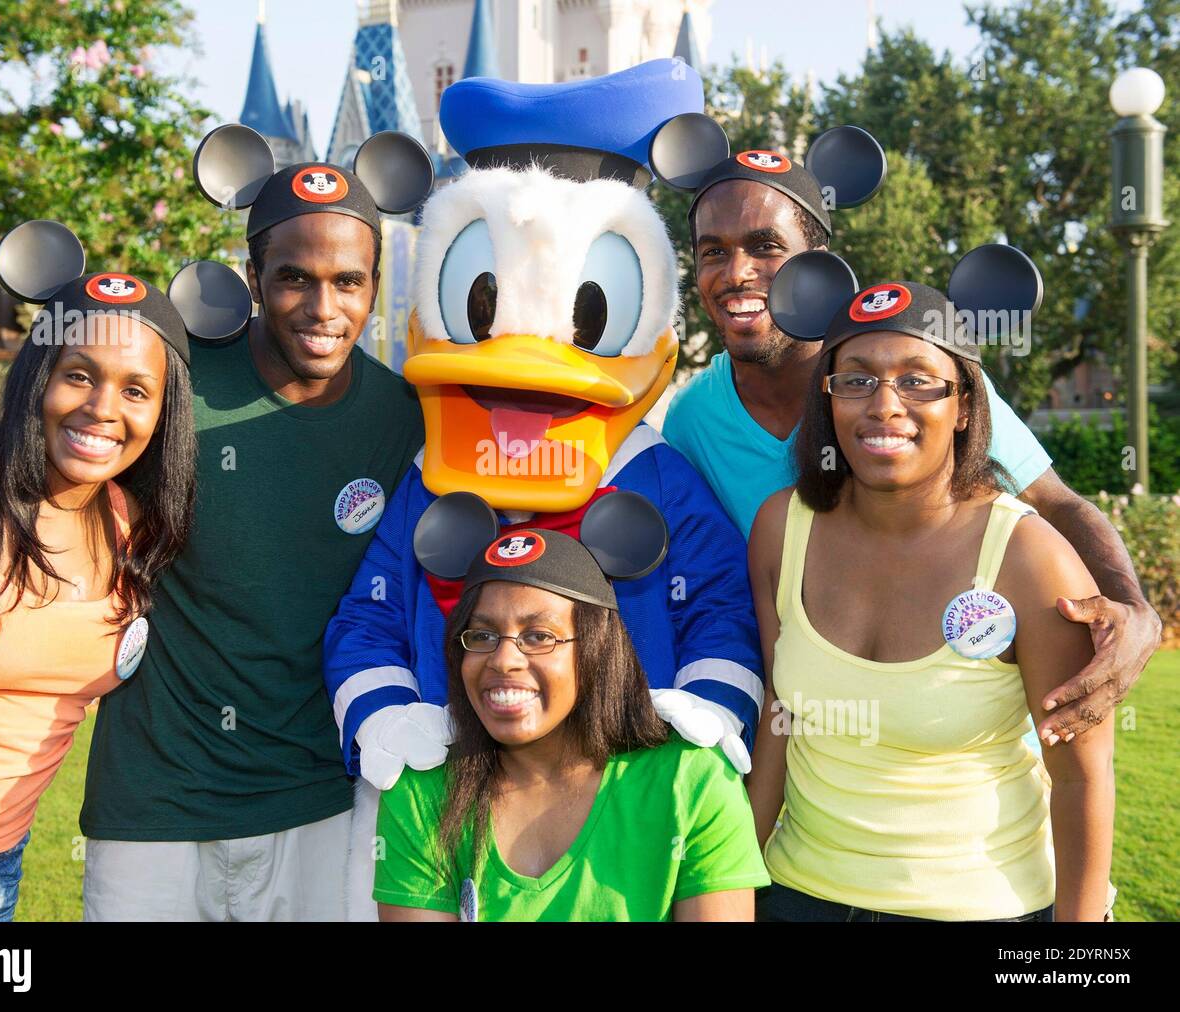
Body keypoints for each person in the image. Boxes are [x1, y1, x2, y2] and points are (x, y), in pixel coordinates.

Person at [324, 63, 764, 919]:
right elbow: (369, 613)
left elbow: (721, 606)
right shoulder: (431, 472)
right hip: (453, 791)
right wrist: (387, 715)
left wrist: (703, 708)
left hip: (625, 781)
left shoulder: (652, 471)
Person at [660, 124, 1161, 747]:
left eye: (765, 247)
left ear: (817, 260)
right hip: (811, 757)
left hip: (970, 754)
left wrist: (1132, 608)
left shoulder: (917, 378)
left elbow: (1054, 503)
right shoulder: (691, 420)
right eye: (713, 251)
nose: (737, 272)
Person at [78, 127, 435, 921]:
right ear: (252, 276)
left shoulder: (402, 417)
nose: (323, 308)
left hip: (320, 796)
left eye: (349, 282)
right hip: (157, 798)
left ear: (375, 286)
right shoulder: (169, 392)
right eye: (293, 279)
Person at [745, 253, 1114, 921]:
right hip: (798, 895)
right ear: (827, 403)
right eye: (855, 381)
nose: (885, 406)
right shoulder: (781, 527)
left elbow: (1081, 775)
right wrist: (738, 885)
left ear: (965, 407)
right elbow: (781, 711)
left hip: (984, 907)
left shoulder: (1028, 557)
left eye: (918, 381)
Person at [0, 219, 224, 920]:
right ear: (38, 377)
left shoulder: (140, 532)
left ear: (164, 414)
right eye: (78, 375)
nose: (102, 409)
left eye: (136, 391)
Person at [375, 492, 769, 921]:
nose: (504, 660)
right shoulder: (423, 790)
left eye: (539, 636)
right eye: (483, 636)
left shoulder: (690, 778)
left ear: (597, 652)